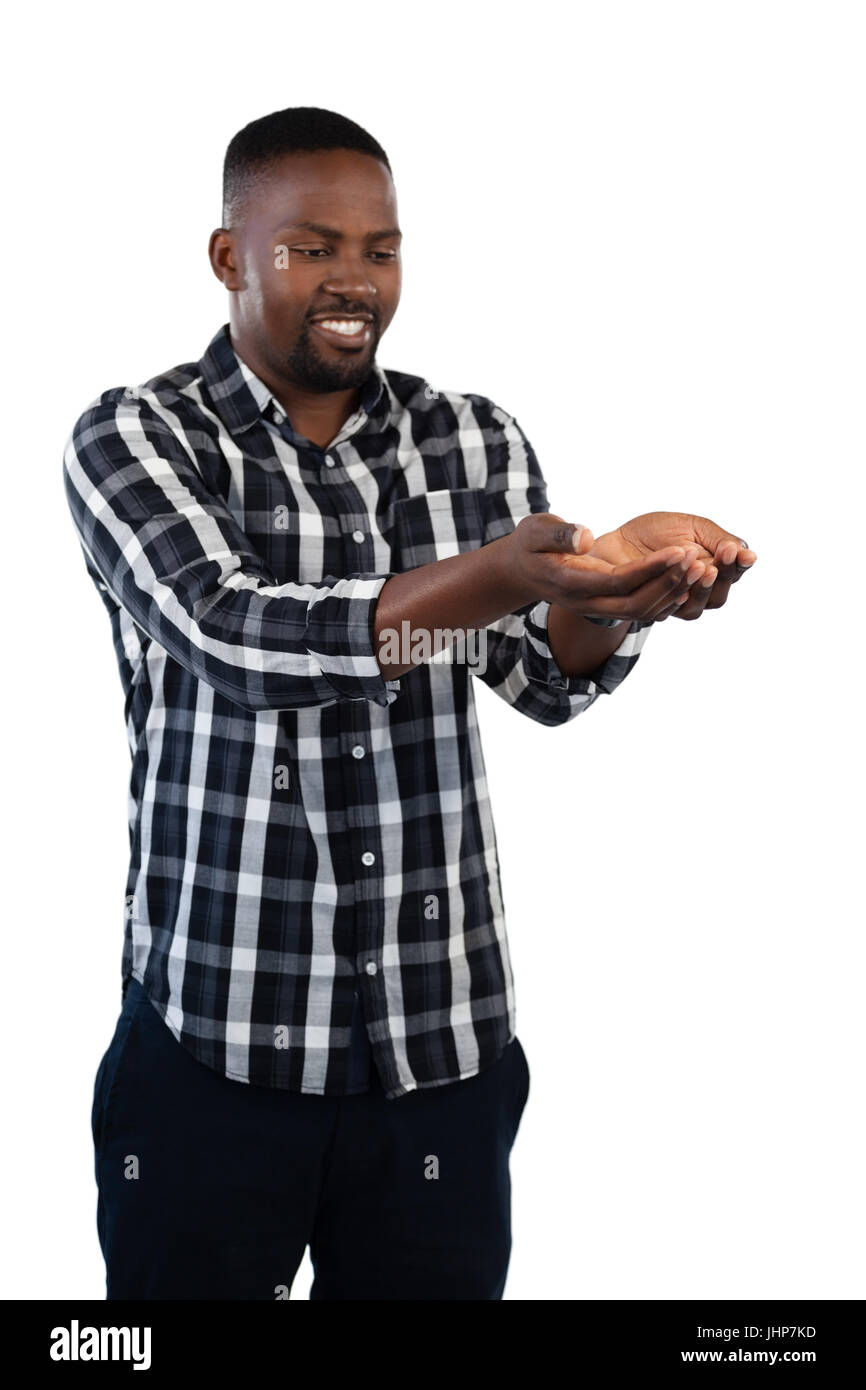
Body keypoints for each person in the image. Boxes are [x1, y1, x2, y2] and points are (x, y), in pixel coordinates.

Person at [62, 105, 757, 1301]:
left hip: (442, 1049)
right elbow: (236, 638)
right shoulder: (137, 435)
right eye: (312, 247)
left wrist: (615, 594)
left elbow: (537, 675)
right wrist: (495, 573)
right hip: (213, 1048)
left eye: (379, 250)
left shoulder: (470, 440)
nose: (353, 281)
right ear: (231, 256)